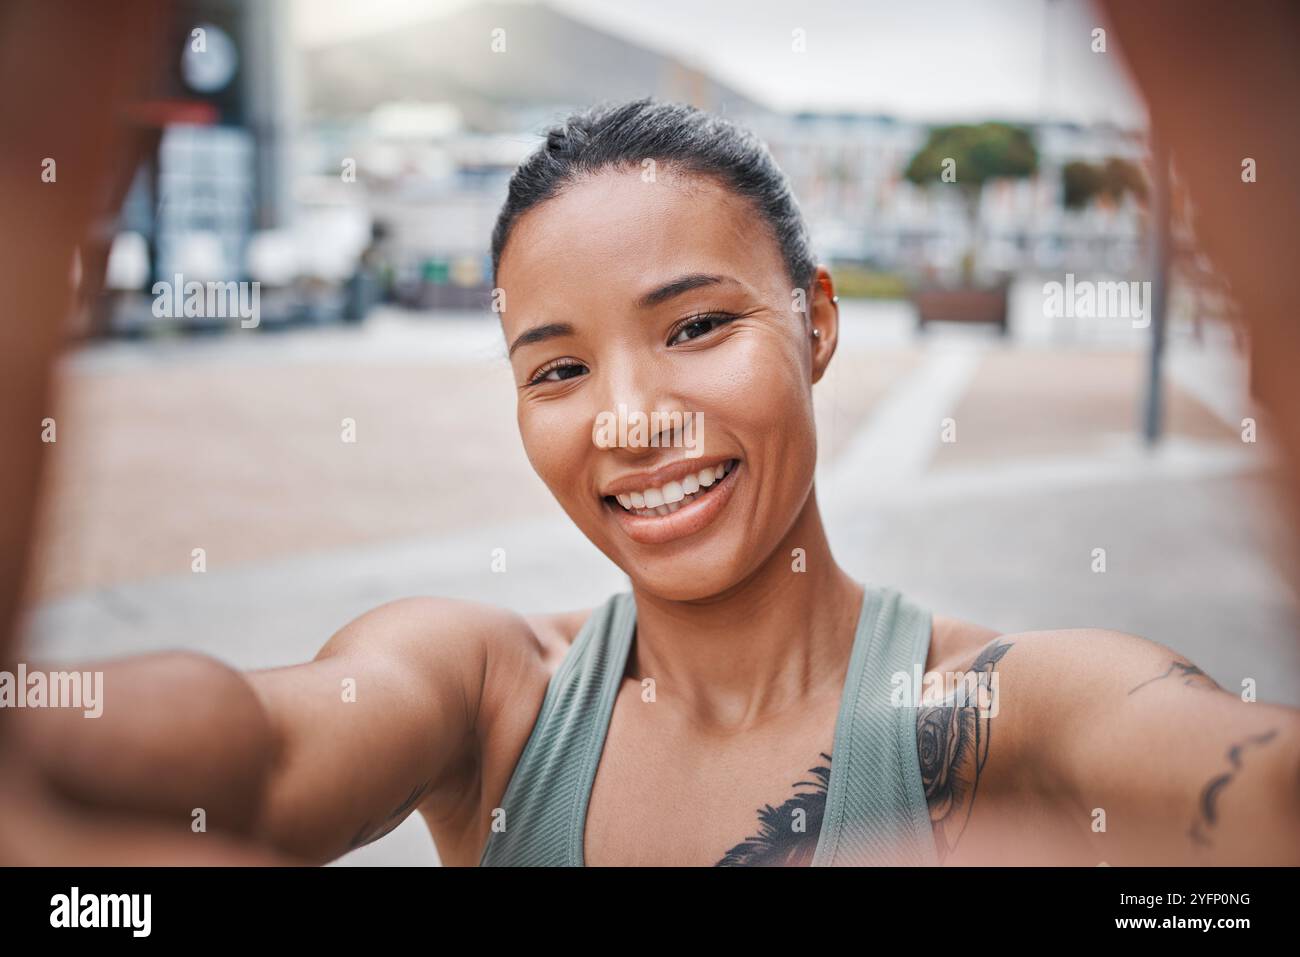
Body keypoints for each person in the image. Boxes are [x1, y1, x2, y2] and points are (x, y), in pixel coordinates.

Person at [8, 98, 1300, 867]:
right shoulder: (488, 694)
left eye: (694, 327)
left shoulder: (1008, 713)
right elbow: (252, 743)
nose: (628, 421)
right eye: (558, 367)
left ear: (819, 322)